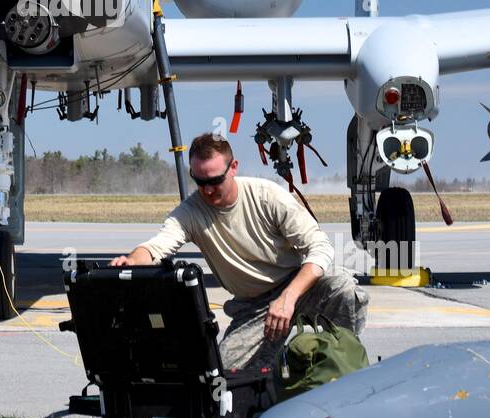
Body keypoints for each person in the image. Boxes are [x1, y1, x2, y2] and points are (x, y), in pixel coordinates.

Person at [110, 132, 368, 376]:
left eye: (215, 181)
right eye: (200, 182)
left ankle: (344, 366)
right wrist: (132, 261)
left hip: (300, 289)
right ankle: (282, 369)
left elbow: (321, 248)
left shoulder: (267, 196)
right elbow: (157, 246)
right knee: (225, 377)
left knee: (344, 288)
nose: (208, 190)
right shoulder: (191, 212)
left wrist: (288, 297)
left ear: (233, 167)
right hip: (253, 307)